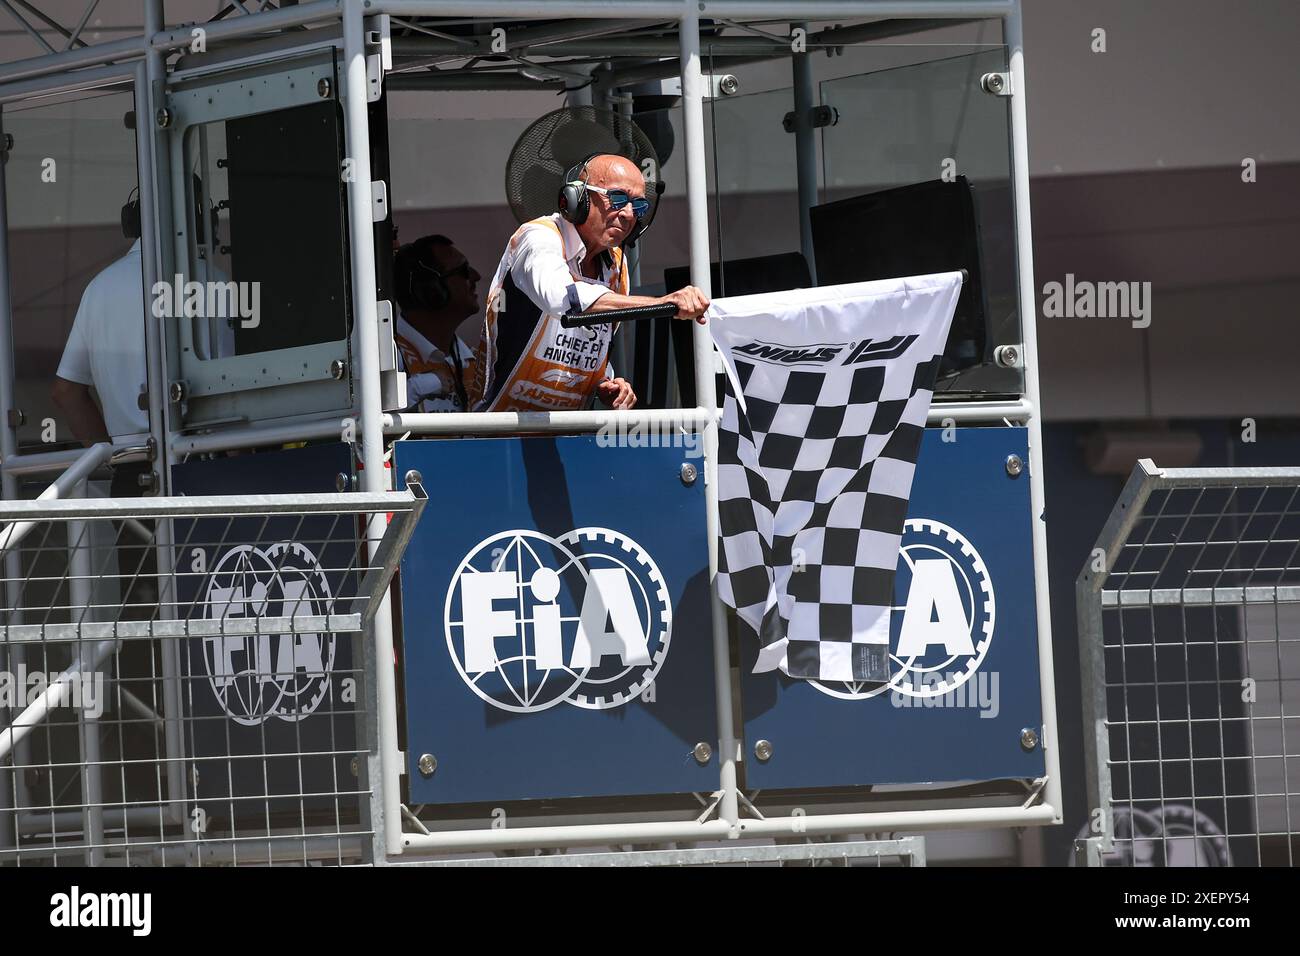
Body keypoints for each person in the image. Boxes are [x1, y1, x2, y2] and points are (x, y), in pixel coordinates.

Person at [471, 152, 709, 413]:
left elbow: (589, 345)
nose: (629, 214)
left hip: (568, 436)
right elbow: (561, 298)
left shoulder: (617, 264)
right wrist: (662, 302)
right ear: (576, 199)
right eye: (618, 199)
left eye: (638, 205)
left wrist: (606, 383)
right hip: (496, 433)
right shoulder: (538, 237)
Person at [392, 235, 480, 413]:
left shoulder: (473, 361)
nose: (476, 276)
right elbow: (364, 420)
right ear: (431, 290)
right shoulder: (386, 357)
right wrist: (418, 388)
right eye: (463, 270)